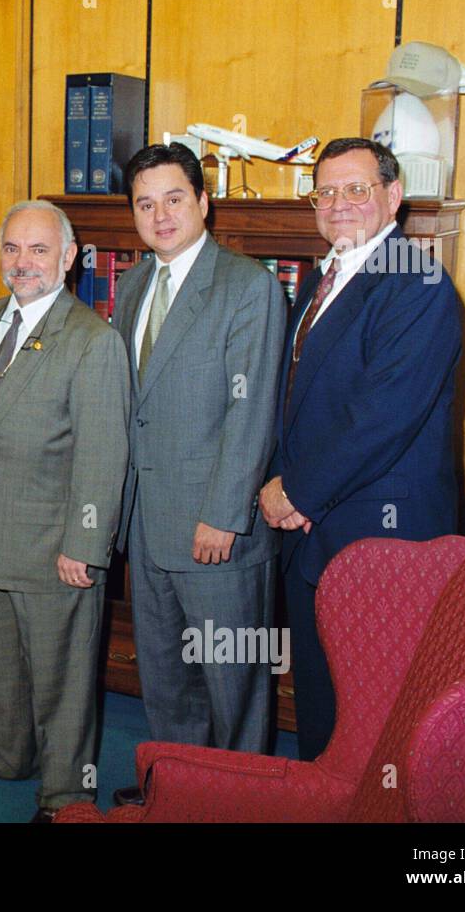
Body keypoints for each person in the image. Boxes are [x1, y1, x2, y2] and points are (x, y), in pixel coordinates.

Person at [258, 137, 462, 761]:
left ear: (393, 198)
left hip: (379, 541)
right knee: (324, 717)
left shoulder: (418, 281)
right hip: (313, 536)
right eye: (326, 192)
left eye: (357, 189)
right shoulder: (325, 275)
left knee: (375, 730)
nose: (338, 203)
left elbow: (380, 417)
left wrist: (295, 491)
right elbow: (296, 398)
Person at [109, 144, 287, 806]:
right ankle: (177, 792)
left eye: (174, 198)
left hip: (215, 529)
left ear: (204, 202)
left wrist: (223, 512)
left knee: (232, 682)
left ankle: (237, 805)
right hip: (147, 524)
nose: (160, 215)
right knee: (166, 677)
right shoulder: (131, 286)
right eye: (145, 203)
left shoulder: (248, 286)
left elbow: (253, 410)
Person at [0, 200, 129, 823]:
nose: (22, 263)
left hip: (56, 544)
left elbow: (104, 456)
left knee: (63, 679)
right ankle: (10, 754)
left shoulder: (93, 340)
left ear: (69, 258)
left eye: (38, 250)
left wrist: (84, 546)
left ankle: (66, 794)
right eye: (12, 249)